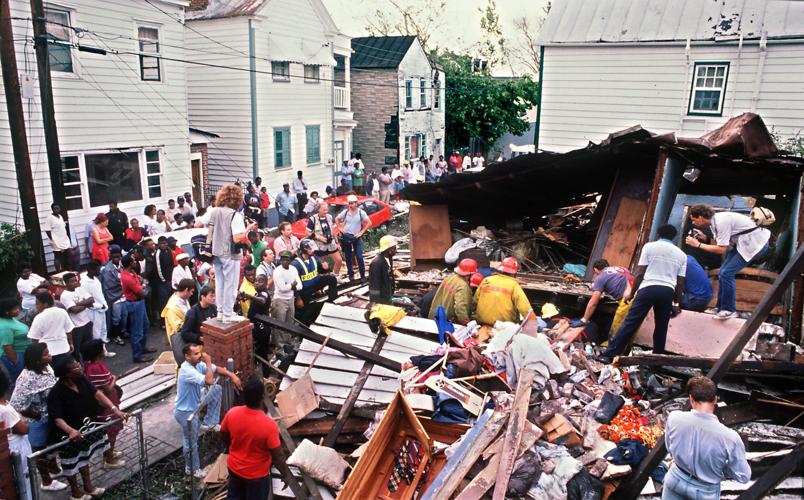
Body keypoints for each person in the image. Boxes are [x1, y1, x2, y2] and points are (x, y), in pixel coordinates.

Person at [599, 224, 687, 363]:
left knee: (631, 322)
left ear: (658, 234)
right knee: (661, 327)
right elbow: (680, 282)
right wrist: (676, 303)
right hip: (667, 291)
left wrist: (632, 293)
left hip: (648, 288)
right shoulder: (681, 255)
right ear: (674, 237)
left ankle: (608, 355)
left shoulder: (649, 247)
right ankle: (656, 361)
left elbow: (640, 273)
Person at [47, 356, 126, 499]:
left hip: (85, 427)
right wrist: (71, 431)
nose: (79, 367)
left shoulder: (81, 380)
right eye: (75, 366)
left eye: (77, 363)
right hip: (67, 434)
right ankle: (75, 493)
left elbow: (97, 394)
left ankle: (88, 486)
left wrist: (115, 409)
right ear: (67, 374)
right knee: (71, 463)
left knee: (83, 458)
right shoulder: (56, 393)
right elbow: (56, 418)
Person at [663, 376, 750, 499]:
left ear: (691, 399)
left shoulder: (674, 418)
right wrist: (721, 469)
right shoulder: (730, 438)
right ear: (715, 399)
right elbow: (743, 476)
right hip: (705, 492)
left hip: (675, 480)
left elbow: (670, 448)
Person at [685, 205, 771, 320]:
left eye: (693, 219)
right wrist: (705, 238)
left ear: (700, 217)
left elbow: (722, 250)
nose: (693, 223)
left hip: (755, 244)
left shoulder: (721, 222)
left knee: (727, 273)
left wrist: (698, 245)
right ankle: (720, 308)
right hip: (742, 244)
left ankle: (729, 310)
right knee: (722, 272)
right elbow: (722, 245)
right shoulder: (715, 222)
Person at [175, 343, 241, 479]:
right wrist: (209, 362)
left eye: (200, 352)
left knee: (216, 390)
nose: (200, 355)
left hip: (196, 403)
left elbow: (218, 369)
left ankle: (209, 422)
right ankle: (192, 469)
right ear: (187, 356)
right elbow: (209, 380)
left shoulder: (197, 365)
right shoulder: (186, 370)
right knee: (191, 441)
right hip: (186, 412)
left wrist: (232, 375)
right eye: (196, 354)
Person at [195, 183, 258, 322]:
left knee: (220, 282)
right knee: (231, 284)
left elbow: (197, 224)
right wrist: (248, 228)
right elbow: (237, 238)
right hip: (230, 254)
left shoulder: (214, 211)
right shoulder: (235, 215)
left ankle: (220, 312)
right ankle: (228, 314)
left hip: (215, 253)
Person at [10, 344, 66, 492]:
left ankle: (54, 469)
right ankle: (46, 482)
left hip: (51, 416)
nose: (50, 355)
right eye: (45, 354)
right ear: (36, 360)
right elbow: (16, 404)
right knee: (40, 451)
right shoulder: (27, 378)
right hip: (38, 421)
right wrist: (36, 415)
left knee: (50, 446)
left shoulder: (47, 368)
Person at [221, 377, 284, 499]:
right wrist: (285, 475)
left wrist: (231, 447)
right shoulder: (269, 425)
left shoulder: (232, 413)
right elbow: (278, 456)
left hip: (234, 469)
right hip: (257, 477)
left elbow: (223, 434)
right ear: (262, 397)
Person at [81, 339, 126, 470]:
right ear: (98, 352)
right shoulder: (96, 368)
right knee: (112, 431)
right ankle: (109, 459)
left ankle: (109, 452)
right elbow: (108, 389)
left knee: (109, 431)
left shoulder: (88, 365)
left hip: (103, 403)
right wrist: (114, 379)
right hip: (107, 405)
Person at [574, 259, 633, 343]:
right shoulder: (621, 269)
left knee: (616, 332)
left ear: (596, 269)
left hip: (628, 301)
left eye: (595, 273)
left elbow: (593, 303)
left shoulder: (601, 277)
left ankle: (608, 348)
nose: (596, 275)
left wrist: (584, 319)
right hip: (641, 295)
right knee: (631, 328)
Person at [0, 367, 34, 500]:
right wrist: (20, 417)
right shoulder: (5, 409)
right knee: (24, 481)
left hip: (9, 445)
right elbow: (24, 429)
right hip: (16, 447)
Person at [473, 257, 531, 325]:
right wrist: (533, 323)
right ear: (514, 272)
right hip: (503, 325)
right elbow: (525, 308)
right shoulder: (514, 285)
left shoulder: (486, 280)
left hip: (481, 321)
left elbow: (475, 301)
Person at [121, 255, 156, 363]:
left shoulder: (132, 272)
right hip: (134, 304)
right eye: (133, 261)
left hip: (139, 302)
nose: (135, 262)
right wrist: (143, 284)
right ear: (130, 263)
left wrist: (142, 284)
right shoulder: (127, 277)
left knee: (145, 326)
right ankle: (137, 355)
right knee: (137, 331)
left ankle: (142, 348)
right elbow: (142, 292)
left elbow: (140, 282)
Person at [27, 292, 75, 366]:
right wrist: (71, 343)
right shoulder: (62, 312)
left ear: (45, 304)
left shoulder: (39, 317)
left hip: (47, 353)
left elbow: (34, 338)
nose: (36, 306)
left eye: (37, 303)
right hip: (64, 348)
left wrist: (36, 354)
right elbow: (68, 330)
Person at [428, 259, 477, 324]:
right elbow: (460, 307)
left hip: (437, 316)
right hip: (448, 322)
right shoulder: (463, 286)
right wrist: (465, 321)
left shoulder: (450, 277)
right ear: (470, 274)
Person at [59, 272, 94, 362]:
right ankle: (80, 365)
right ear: (66, 283)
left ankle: (89, 363)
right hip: (76, 326)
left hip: (87, 322)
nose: (75, 283)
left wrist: (78, 303)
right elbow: (74, 310)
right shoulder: (64, 295)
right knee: (77, 349)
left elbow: (91, 299)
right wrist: (86, 304)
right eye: (72, 281)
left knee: (89, 346)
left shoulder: (80, 289)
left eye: (76, 280)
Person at [80, 260, 113, 356]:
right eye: (97, 270)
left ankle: (104, 351)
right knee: (96, 333)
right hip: (93, 311)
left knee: (103, 331)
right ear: (91, 270)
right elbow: (85, 299)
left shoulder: (95, 278)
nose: (99, 271)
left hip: (101, 309)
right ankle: (96, 354)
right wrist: (98, 306)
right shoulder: (84, 282)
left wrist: (103, 305)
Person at [293, 240, 338, 310]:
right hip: (305, 289)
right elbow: (294, 284)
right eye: (310, 249)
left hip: (316, 283)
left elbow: (320, 270)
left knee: (332, 279)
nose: (313, 250)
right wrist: (298, 299)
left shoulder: (314, 258)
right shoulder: (296, 264)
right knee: (305, 310)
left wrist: (325, 268)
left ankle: (333, 300)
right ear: (304, 250)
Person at [336, 194, 371, 282]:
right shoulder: (346, 212)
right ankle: (351, 274)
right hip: (346, 236)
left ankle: (362, 275)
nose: (350, 205)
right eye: (349, 203)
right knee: (348, 257)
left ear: (356, 203)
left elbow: (369, 223)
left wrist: (361, 232)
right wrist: (340, 228)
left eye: (352, 203)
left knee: (359, 257)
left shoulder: (361, 213)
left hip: (356, 237)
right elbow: (337, 219)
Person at [0, 298, 30, 390]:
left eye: (18, 307)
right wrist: (16, 362)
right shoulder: (5, 327)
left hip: (22, 354)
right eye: (14, 309)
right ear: (6, 311)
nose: (18, 310)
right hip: (14, 355)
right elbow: (7, 347)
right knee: (17, 382)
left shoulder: (11, 319)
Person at [306, 202, 343, 277]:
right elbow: (307, 232)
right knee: (322, 265)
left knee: (339, 260)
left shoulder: (329, 217)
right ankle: (323, 279)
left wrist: (337, 242)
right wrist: (318, 237)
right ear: (318, 209)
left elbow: (333, 230)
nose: (326, 211)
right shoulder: (313, 219)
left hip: (331, 243)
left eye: (327, 209)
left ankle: (335, 277)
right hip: (319, 245)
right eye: (324, 210)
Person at [271, 251, 301, 324]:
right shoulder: (277, 271)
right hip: (280, 300)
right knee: (279, 324)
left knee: (290, 323)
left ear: (290, 260)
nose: (284, 261)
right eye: (283, 259)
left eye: (287, 260)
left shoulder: (293, 269)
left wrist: (291, 286)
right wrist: (292, 285)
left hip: (291, 299)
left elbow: (300, 286)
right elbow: (282, 288)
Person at [163, 279, 195, 343]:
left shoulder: (184, 299)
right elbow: (178, 328)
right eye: (191, 291)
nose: (192, 294)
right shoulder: (171, 307)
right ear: (186, 290)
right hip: (180, 340)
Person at [368, 235, 397, 304]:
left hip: (387, 295)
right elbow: (374, 284)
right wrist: (375, 303)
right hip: (380, 300)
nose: (396, 250)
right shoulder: (376, 263)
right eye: (394, 248)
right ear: (389, 250)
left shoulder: (388, 259)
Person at [45, 203, 73, 272]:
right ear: (52, 209)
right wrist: (53, 239)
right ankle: (58, 272)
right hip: (55, 239)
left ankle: (69, 270)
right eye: (55, 209)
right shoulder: (50, 218)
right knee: (57, 256)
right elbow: (47, 230)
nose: (57, 210)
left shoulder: (60, 216)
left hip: (64, 239)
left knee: (70, 254)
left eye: (58, 208)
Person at [154, 236, 175, 317]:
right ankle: (163, 320)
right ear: (159, 244)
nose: (164, 245)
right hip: (163, 282)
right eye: (162, 243)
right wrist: (163, 280)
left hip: (170, 280)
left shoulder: (168, 250)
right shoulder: (158, 253)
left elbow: (172, 264)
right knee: (164, 302)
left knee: (171, 300)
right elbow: (158, 268)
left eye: (165, 243)